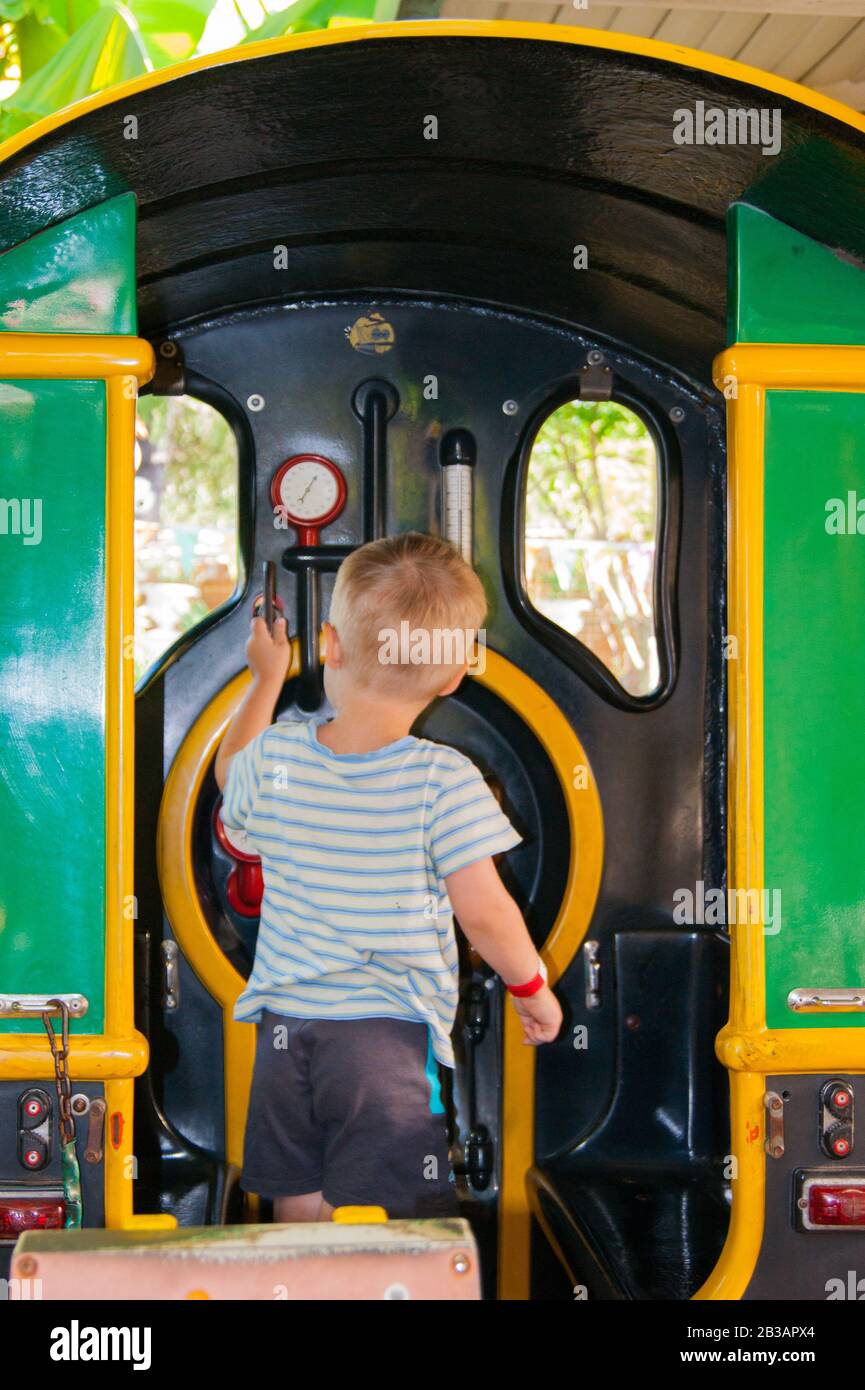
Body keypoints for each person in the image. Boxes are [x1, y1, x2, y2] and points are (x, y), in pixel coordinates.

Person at [215, 532, 563, 1221]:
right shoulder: (444, 781)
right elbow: (485, 913)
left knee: (298, 1197)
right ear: (454, 674)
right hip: (385, 1038)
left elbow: (229, 771)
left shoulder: (279, 757)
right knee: (390, 1219)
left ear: (330, 646)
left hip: (285, 1032)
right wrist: (531, 988)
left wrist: (264, 678)